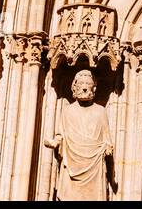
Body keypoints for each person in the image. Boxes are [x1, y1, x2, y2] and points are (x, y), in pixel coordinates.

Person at [45, 68, 113, 200]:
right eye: (81, 84)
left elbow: (106, 138)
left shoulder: (100, 112)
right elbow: (61, 134)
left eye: (88, 84)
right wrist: (55, 142)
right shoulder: (68, 111)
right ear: (74, 88)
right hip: (72, 164)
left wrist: (108, 147)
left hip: (94, 165)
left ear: (94, 89)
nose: (85, 88)